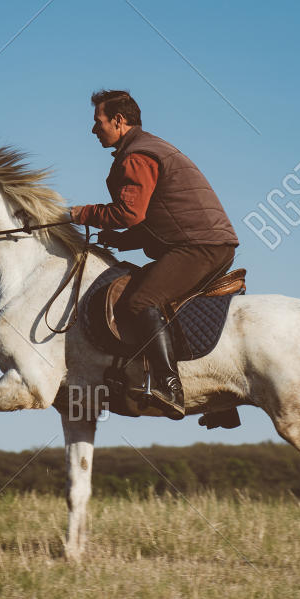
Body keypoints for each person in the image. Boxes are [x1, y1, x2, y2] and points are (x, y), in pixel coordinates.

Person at [69, 89, 238, 418]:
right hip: (207, 243)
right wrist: (120, 241)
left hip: (198, 247)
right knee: (151, 295)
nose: (93, 129)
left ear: (118, 121)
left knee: (140, 301)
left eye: (97, 121)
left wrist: (78, 214)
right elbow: (157, 215)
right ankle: (222, 401)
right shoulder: (148, 147)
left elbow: (129, 214)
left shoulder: (138, 155)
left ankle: (170, 388)